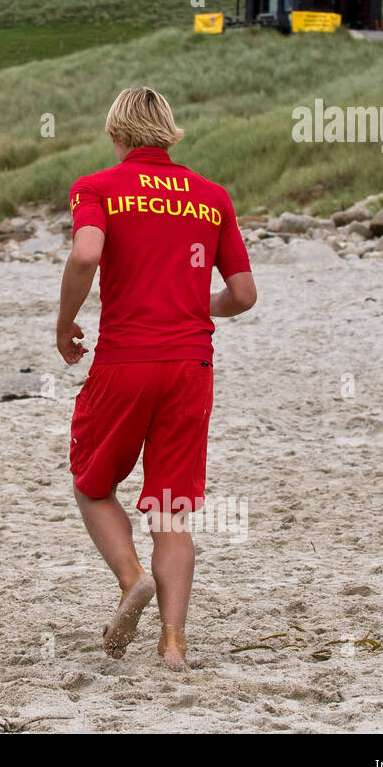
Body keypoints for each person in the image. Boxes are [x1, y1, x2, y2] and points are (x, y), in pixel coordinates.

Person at [56, 87, 256, 674]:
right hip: (191, 364)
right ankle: (173, 644)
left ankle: (131, 580)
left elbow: (87, 254)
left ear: (117, 136)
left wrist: (65, 323)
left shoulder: (98, 187)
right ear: (170, 135)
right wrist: (193, 303)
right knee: (171, 510)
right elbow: (243, 294)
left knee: (93, 485)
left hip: (125, 360)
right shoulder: (211, 197)